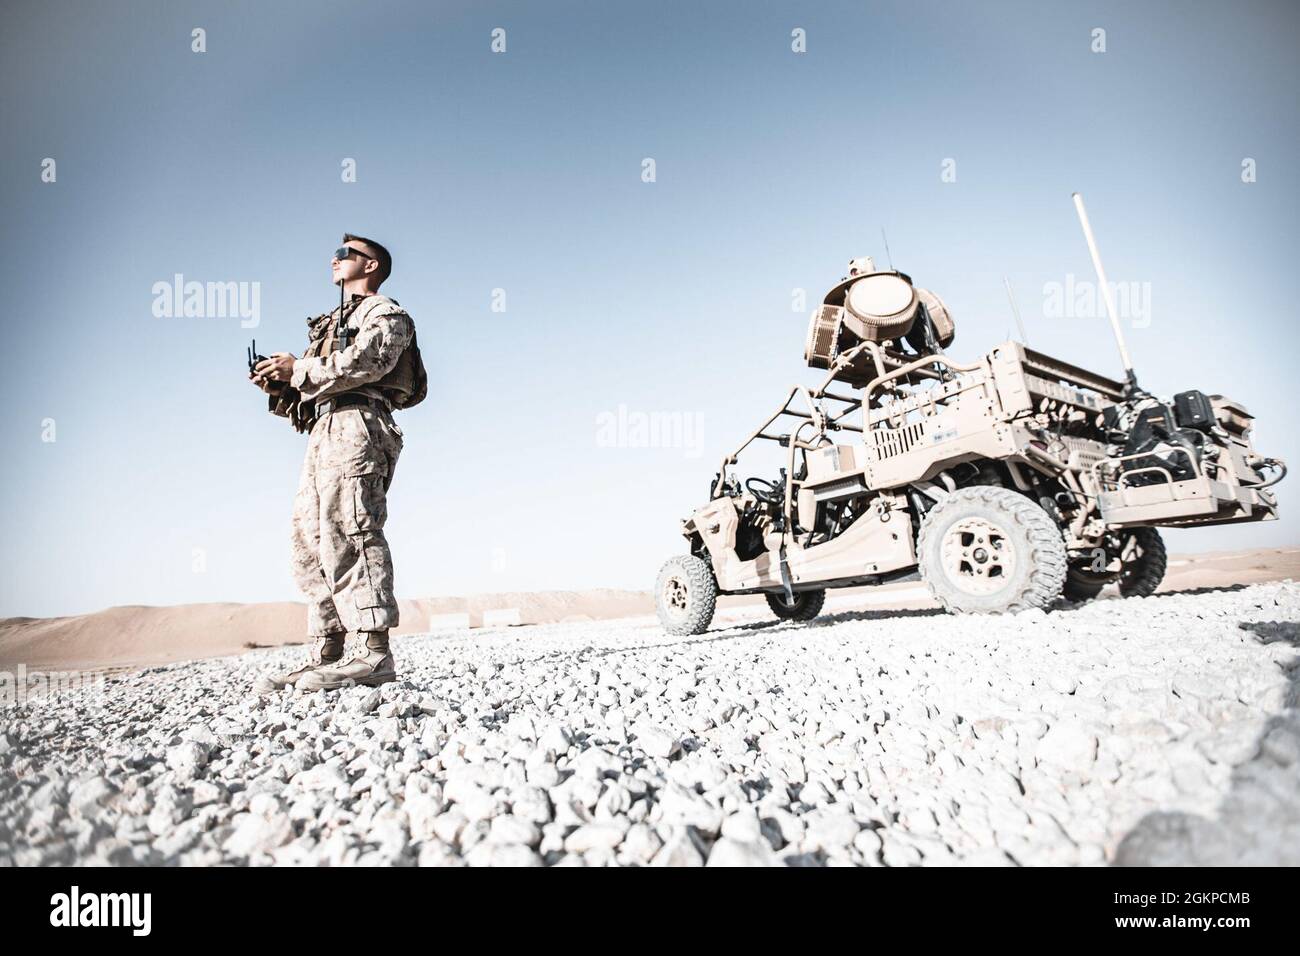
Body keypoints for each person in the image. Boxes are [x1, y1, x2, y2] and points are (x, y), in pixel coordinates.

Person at [248, 233, 425, 694]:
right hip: (325, 432)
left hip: (359, 424)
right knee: (309, 540)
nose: (335, 259)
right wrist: (279, 384)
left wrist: (298, 370)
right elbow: (307, 396)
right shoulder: (331, 323)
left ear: (371, 267)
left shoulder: (386, 314)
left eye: (346, 254)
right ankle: (326, 652)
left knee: (352, 529)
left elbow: (367, 362)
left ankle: (373, 652)